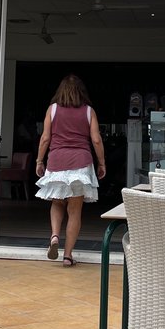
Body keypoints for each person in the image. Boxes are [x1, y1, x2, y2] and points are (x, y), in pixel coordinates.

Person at [34, 74, 106, 267]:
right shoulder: (89, 111)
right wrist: (102, 163)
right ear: (82, 92)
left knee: (57, 203)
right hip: (80, 164)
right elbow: (96, 140)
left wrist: (39, 161)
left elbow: (45, 139)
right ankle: (67, 256)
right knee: (75, 211)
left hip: (56, 161)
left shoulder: (53, 109)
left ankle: (55, 236)